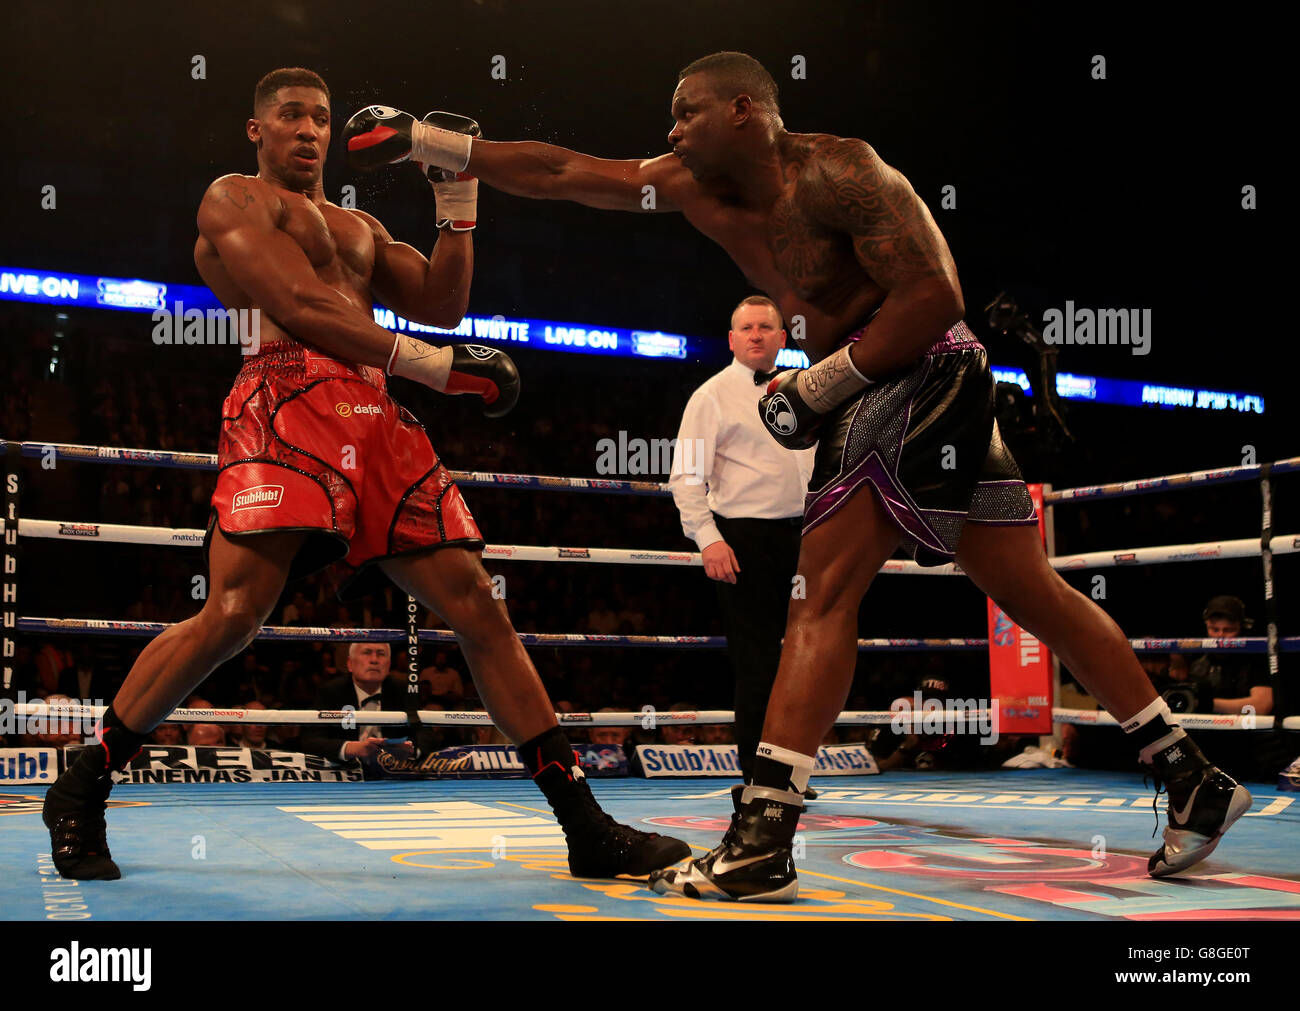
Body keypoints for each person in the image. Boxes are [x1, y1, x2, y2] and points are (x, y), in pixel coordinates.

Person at [351, 51, 1252, 900]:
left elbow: (936, 295)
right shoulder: (688, 183)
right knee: (1030, 589)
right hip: (899, 386)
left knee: (821, 596)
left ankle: (763, 840)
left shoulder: (840, 171)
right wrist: (431, 141)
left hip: (916, 369)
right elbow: (563, 171)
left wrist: (821, 385)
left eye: (688, 113)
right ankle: (1191, 774)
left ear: (746, 109)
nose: (671, 131)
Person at [42, 67, 687, 882]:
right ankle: (82, 783)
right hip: (283, 398)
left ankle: (584, 826)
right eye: (291, 115)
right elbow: (302, 307)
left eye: (320, 117)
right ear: (257, 130)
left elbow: (442, 303)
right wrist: (436, 367)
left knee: (478, 606)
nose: (309, 129)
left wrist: (457, 199)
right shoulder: (233, 199)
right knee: (235, 613)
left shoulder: (360, 225)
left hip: (374, 410)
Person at [668, 294, 814, 791]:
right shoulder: (710, 396)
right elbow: (686, 477)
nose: (756, 335)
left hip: (807, 537)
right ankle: (760, 775)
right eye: (747, 328)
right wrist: (709, 539)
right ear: (732, 339)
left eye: (765, 327)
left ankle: (792, 771)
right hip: (745, 539)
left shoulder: (806, 391)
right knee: (758, 661)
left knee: (807, 657)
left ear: (782, 337)